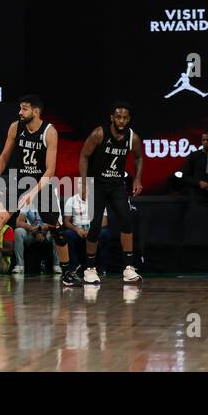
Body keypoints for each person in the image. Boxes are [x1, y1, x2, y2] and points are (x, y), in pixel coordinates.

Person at [0, 94, 79, 288]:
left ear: (36, 112)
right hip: (18, 180)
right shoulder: (16, 126)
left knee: (57, 230)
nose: (20, 112)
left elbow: (50, 170)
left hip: (41, 182)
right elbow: (4, 156)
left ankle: (67, 272)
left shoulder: (49, 132)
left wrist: (34, 191)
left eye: (25, 109)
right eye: (20, 108)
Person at [77, 102, 144, 285]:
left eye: (125, 118)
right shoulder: (99, 134)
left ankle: (128, 268)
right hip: (97, 185)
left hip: (116, 185)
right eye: (118, 117)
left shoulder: (133, 138)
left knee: (127, 220)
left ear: (128, 119)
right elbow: (83, 156)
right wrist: (83, 183)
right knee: (95, 225)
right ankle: (90, 269)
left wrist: (137, 179)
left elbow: (138, 158)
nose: (121, 121)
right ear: (112, 118)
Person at [181, 131, 208, 214]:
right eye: (203, 140)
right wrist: (199, 183)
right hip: (196, 199)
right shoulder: (194, 156)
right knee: (197, 223)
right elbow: (184, 176)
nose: (205, 142)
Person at [61, 179, 92, 272]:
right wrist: (77, 229)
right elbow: (66, 222)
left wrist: (91, 230)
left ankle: (101, 267)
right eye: (78, 183)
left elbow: (104, 221)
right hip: (77, 229)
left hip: (93, 229)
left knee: (105, 234)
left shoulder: (97, 199)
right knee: (66, 234)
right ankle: (75, 264)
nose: (80, 186)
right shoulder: (71, 200)